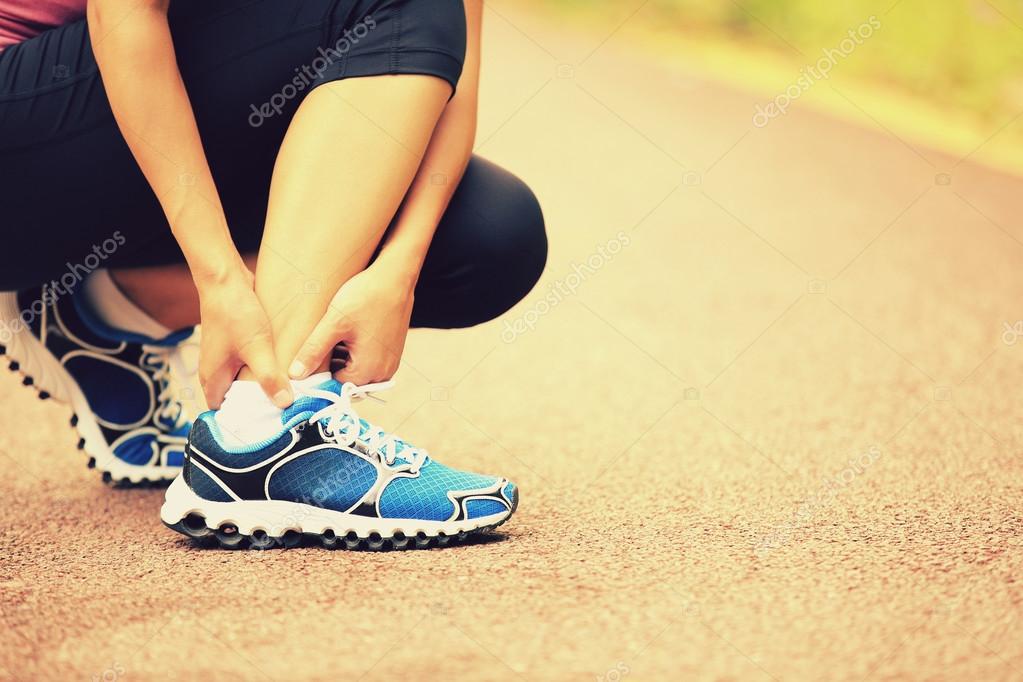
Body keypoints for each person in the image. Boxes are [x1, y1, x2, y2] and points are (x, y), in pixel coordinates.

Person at [0, 0, 547, 549]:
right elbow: (123, 15)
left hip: (124, 142)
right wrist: (218, 275)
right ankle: (264, 430)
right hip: (26, 131)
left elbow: (455, 74)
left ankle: (106, 309)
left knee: (489, 234)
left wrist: (398, 267)